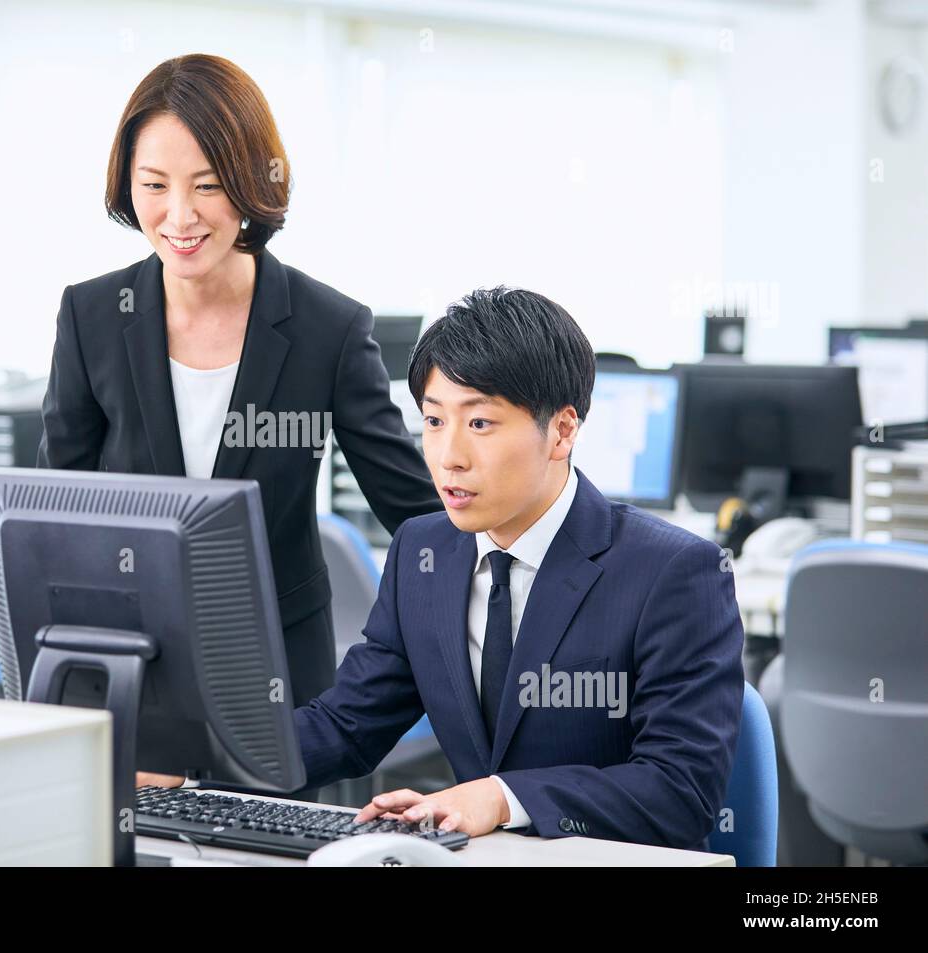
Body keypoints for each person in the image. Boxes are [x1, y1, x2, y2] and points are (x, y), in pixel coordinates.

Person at [38, 54, 440, 715]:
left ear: (252, 180)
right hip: (127, 665)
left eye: (207, 185)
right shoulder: (93, 318)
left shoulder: (327, 328)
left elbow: (418, 515)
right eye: (154, 185)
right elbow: (53, 518)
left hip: (278, 671)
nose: (179, 216)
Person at [294, 286, 745, 848]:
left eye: (479, 424)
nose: (449, 455)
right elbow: (347, 726)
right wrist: (190, 763)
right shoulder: (423, 552)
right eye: (434, 422)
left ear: (561, 430)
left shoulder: (675, 572)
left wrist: (499, 797)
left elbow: (681, 792)